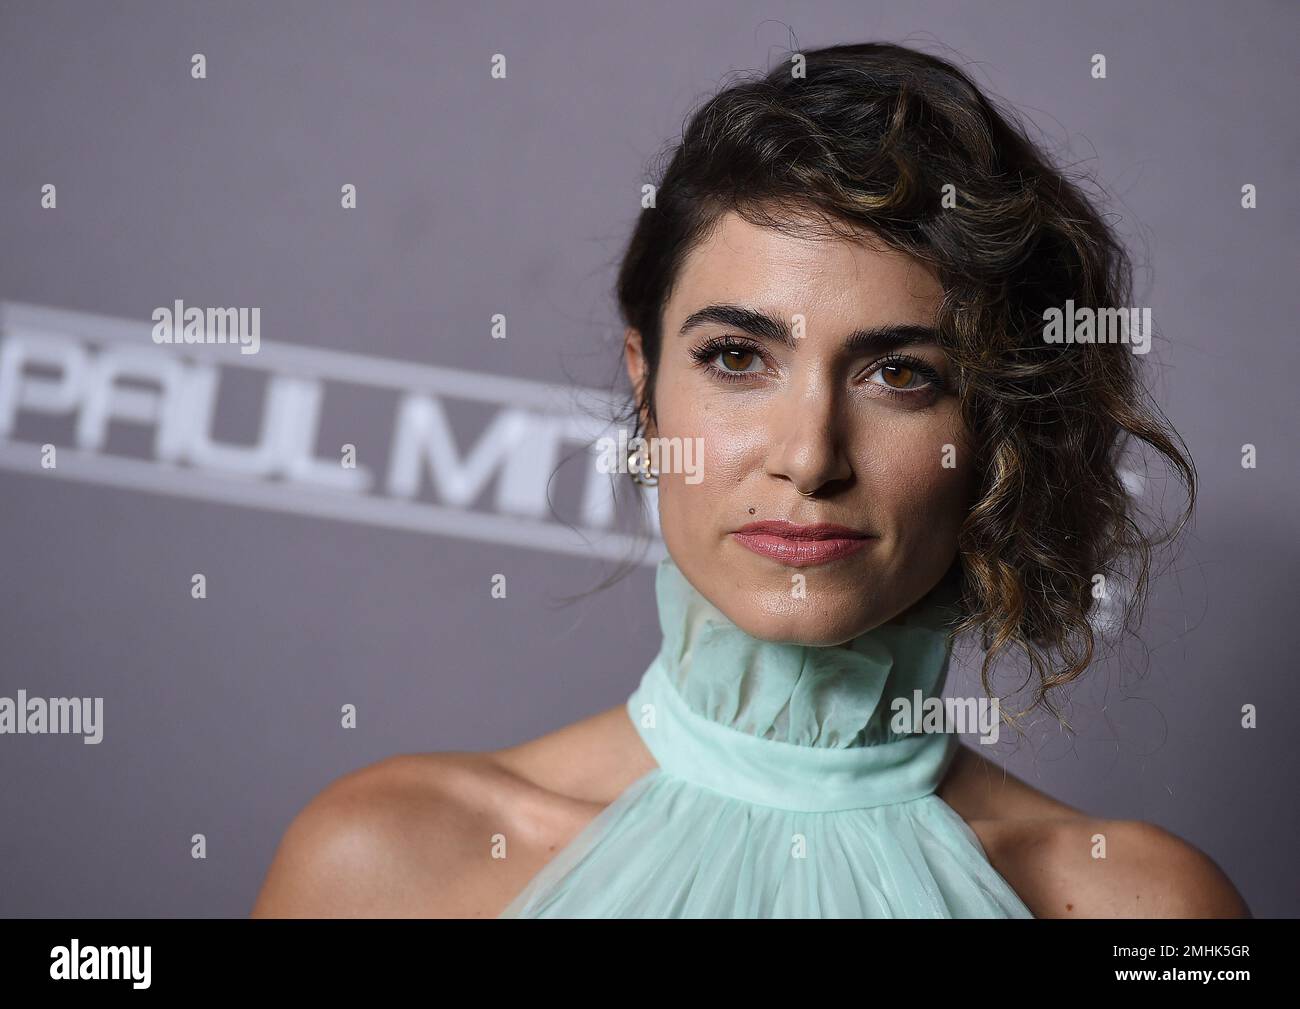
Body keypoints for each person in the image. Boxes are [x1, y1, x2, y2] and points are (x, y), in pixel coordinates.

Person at [251, 42, 1249, 918]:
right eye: (736, 358)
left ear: (997, 432)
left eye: (901, 374)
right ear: (647, 392)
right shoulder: (383, 865)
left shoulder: (1143, 907)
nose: (808, 456)